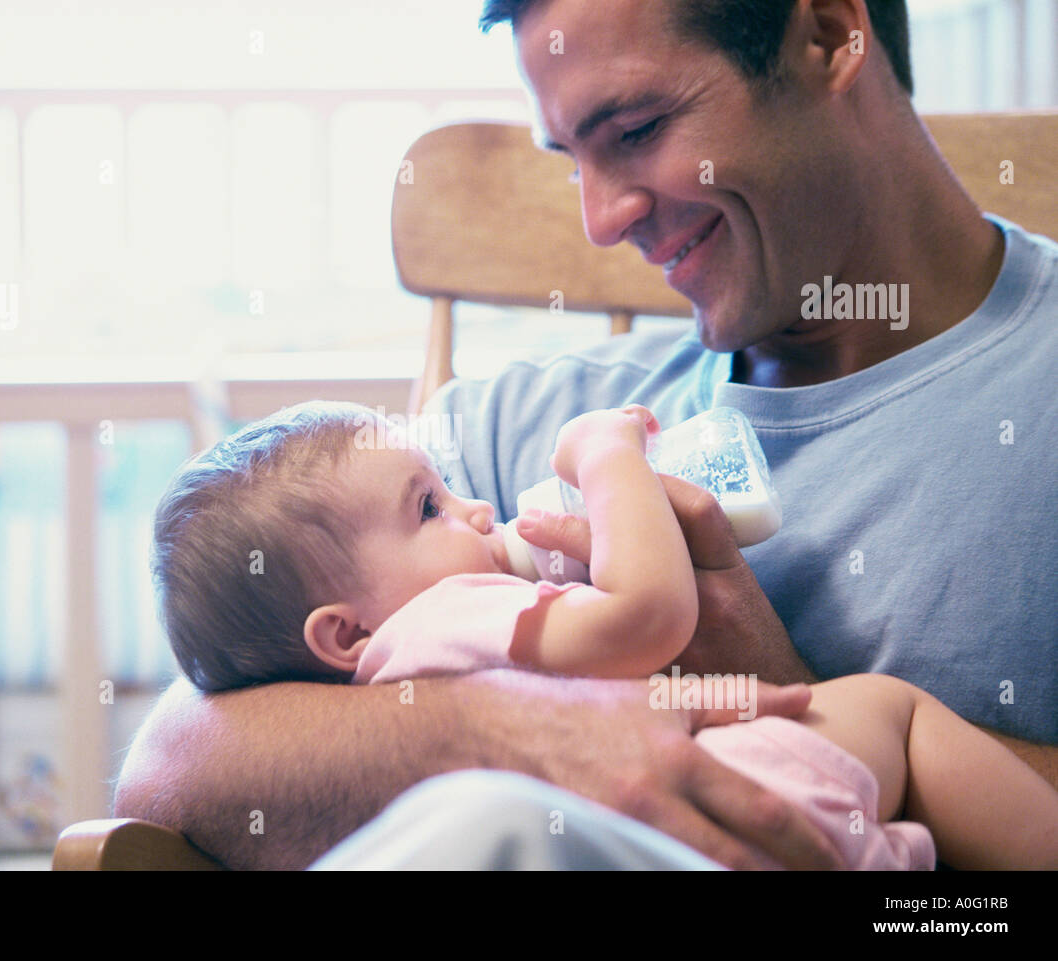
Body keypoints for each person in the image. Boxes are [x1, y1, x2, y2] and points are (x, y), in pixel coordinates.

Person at [115, 0, 1058, 869]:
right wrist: (502, 728)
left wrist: (787, 700)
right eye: (572, 158)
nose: (601, 221)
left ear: (825, 35)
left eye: (638, 130)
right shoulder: (491, 437)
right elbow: (170, 768)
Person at [147, 399, 1058, 868]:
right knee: (884, 711)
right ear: (343, 634)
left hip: (662, 829)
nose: (473, 508)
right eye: (428, 506)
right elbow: (647, 616)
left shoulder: (413, 656)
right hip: (711, 812)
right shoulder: (450, 612)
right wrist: (605, 456)